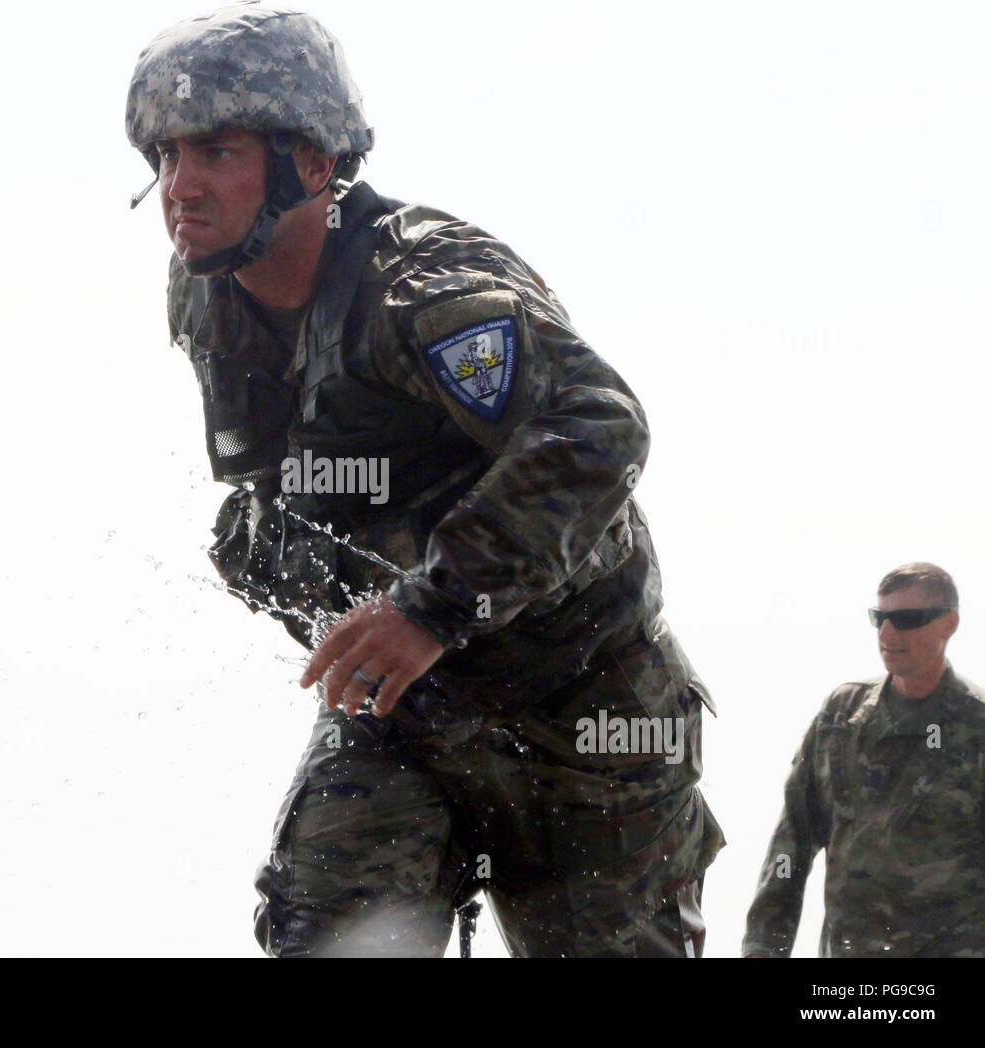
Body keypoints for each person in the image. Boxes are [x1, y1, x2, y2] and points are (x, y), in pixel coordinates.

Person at [128, 3, 723, 957]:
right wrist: (296, 579)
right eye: (164, 157)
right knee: (322, 935)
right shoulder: (207, 294)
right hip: (407, 713)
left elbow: (598, 429)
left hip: (587, 710)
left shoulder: (426, 289)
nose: (181, 187)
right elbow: (277, 498)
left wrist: (433, 607)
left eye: (216, 153)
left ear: (311, 164)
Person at [743, 562, 985, 957]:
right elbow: (793, 842)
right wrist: (764, 945)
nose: (888, 634)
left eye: (906, 619)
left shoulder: (976, 727)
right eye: (880, 618)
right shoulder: (842, 716)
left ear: (949, 624)